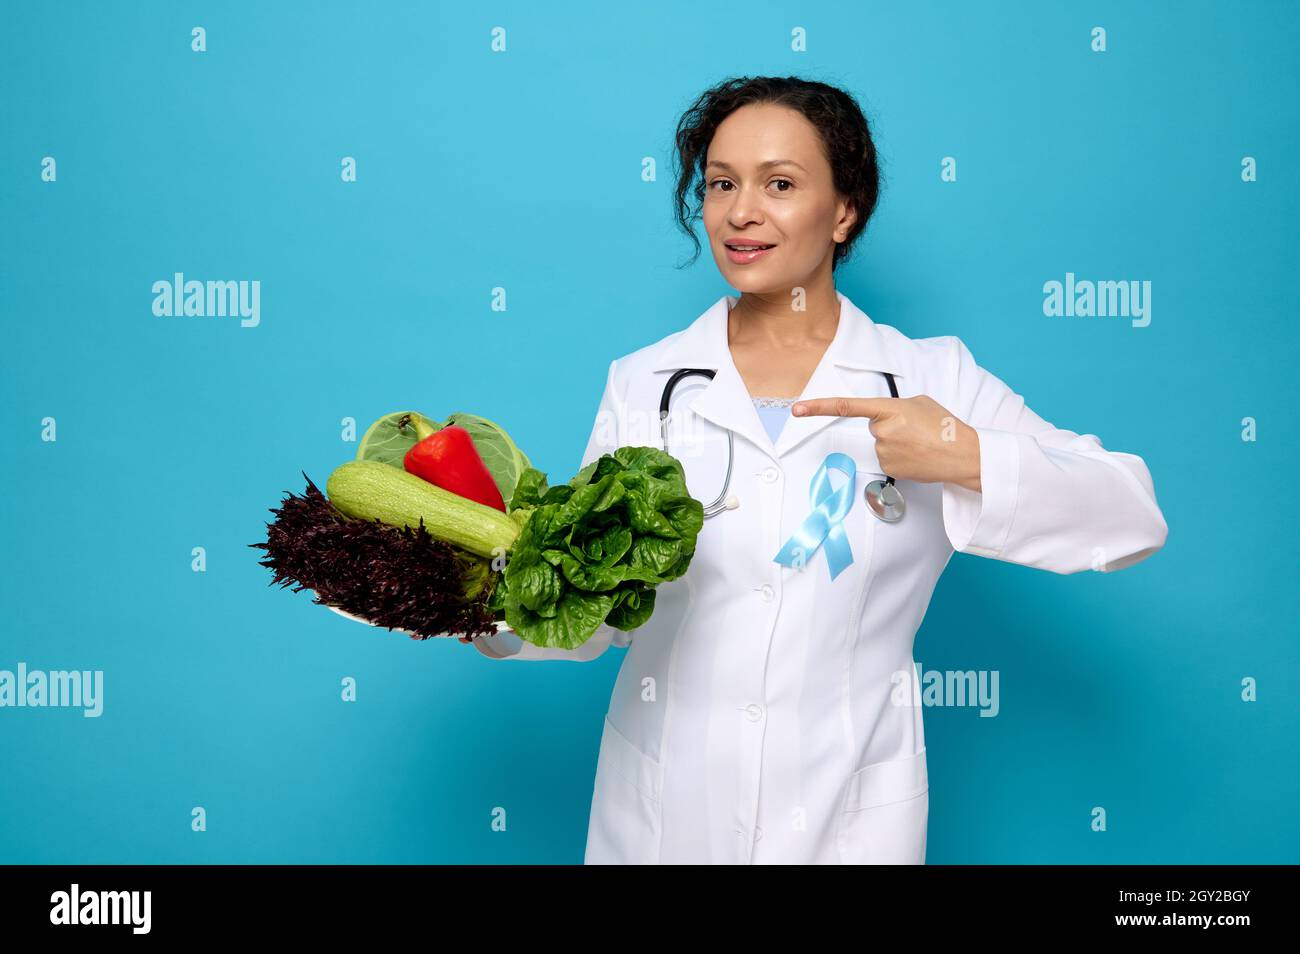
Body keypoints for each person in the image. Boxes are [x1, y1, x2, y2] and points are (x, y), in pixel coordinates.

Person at [464, 76, 1169, 864]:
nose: (741, 212)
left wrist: (965, 455)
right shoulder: (647, 385)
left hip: (850, 820)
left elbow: (1130, 514)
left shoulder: (930, 378)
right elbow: (594, 617)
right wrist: (472, 604)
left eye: (781, 184)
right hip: (665, 820)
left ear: (845, 210)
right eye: (722, 183)